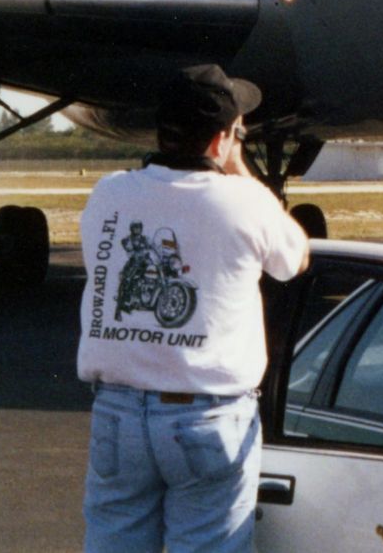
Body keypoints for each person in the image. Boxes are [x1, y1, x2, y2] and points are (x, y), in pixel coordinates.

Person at [78, 65, 311, 552]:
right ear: (223, 138)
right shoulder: (245, 200)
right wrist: (241, 168)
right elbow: (295, 260)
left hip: (117, 411)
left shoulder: (108, 194)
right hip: (206, 416)